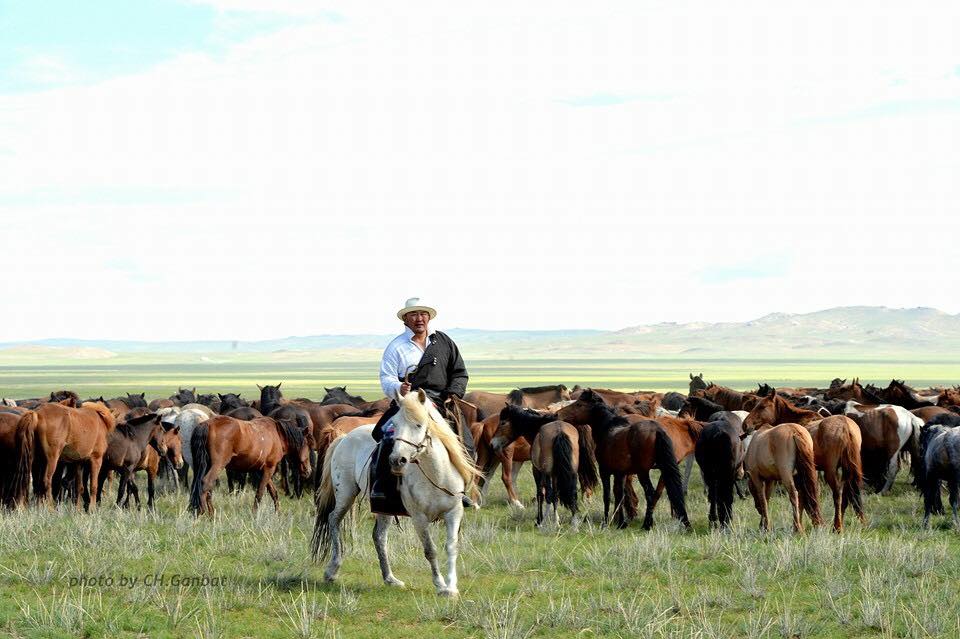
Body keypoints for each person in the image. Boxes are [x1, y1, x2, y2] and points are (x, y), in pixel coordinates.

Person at [369, 297, 476, 514]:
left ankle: (462, 490)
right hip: (409, 404)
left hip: (439, 402)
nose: (419, 319)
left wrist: (454, 392)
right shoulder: (396, 347)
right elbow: (386, 377)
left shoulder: (443, 342)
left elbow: (459, 372)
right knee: (383, 435)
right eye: (414, 315)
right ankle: (383, 488)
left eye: (423, 314)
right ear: (405, 320)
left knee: (467, 443)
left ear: (428, 317)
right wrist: (399, 388)